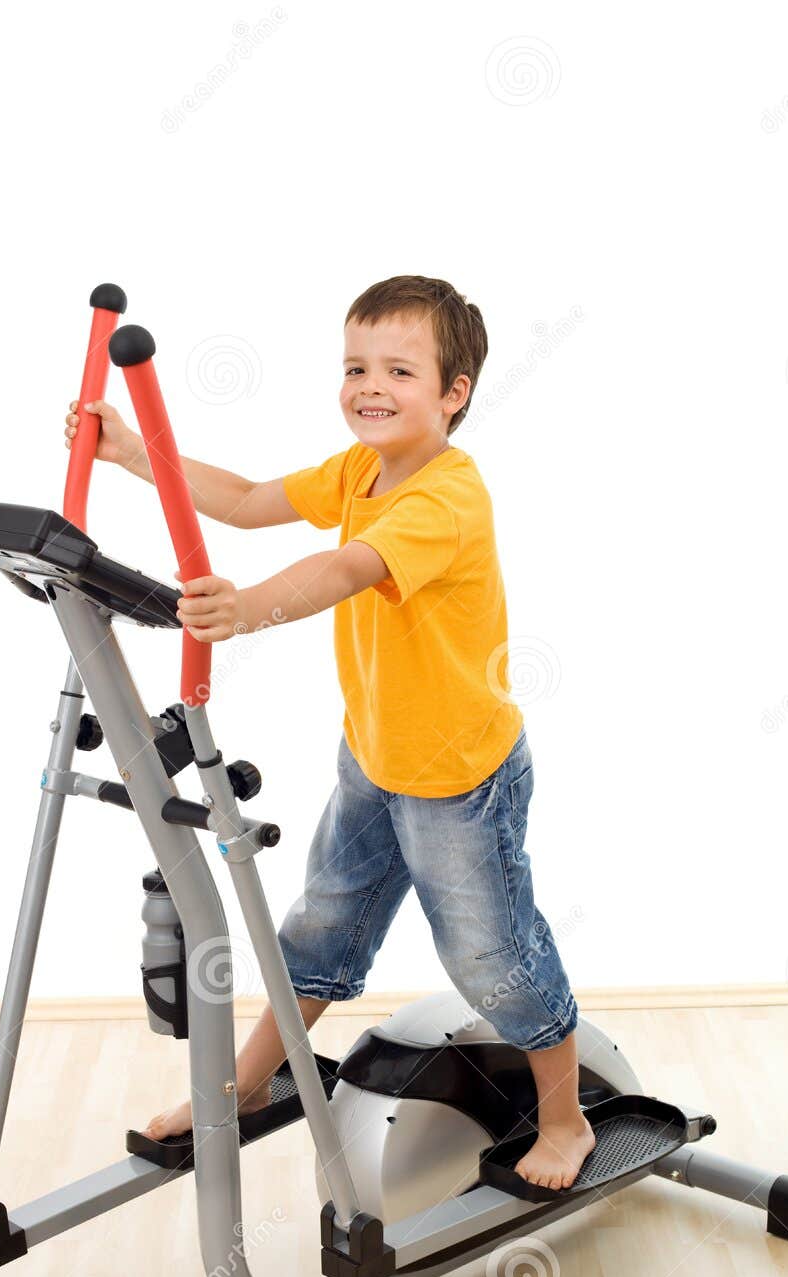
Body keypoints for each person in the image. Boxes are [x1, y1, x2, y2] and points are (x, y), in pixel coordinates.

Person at [64, 276, 593, 1190]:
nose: (370, 386)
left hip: (459, 781)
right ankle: (244, 1084)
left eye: (399, 371)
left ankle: (566, 1120)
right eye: (355, 368)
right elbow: (244, 500)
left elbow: (346, 567)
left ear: (453, 393)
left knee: (492, 959)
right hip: (374, 760)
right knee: (317, 929)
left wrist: (248, 609)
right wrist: (132, 453)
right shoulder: (358, 471)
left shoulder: (448, 496)